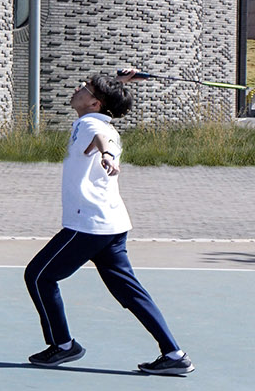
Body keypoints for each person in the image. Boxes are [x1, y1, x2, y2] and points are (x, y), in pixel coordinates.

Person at [24, 71, 194, 376]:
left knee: (39, 277)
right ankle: (174, 353)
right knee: (130, 292)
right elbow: (103, 122)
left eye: (84, 88)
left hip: (87, 225)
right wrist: (121, 83)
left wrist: (106, 155)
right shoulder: (102, 120)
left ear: (94, 103)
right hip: (112, 225)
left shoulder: (89, 124)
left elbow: (100, 139)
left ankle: (63, 346)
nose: (77, 88)